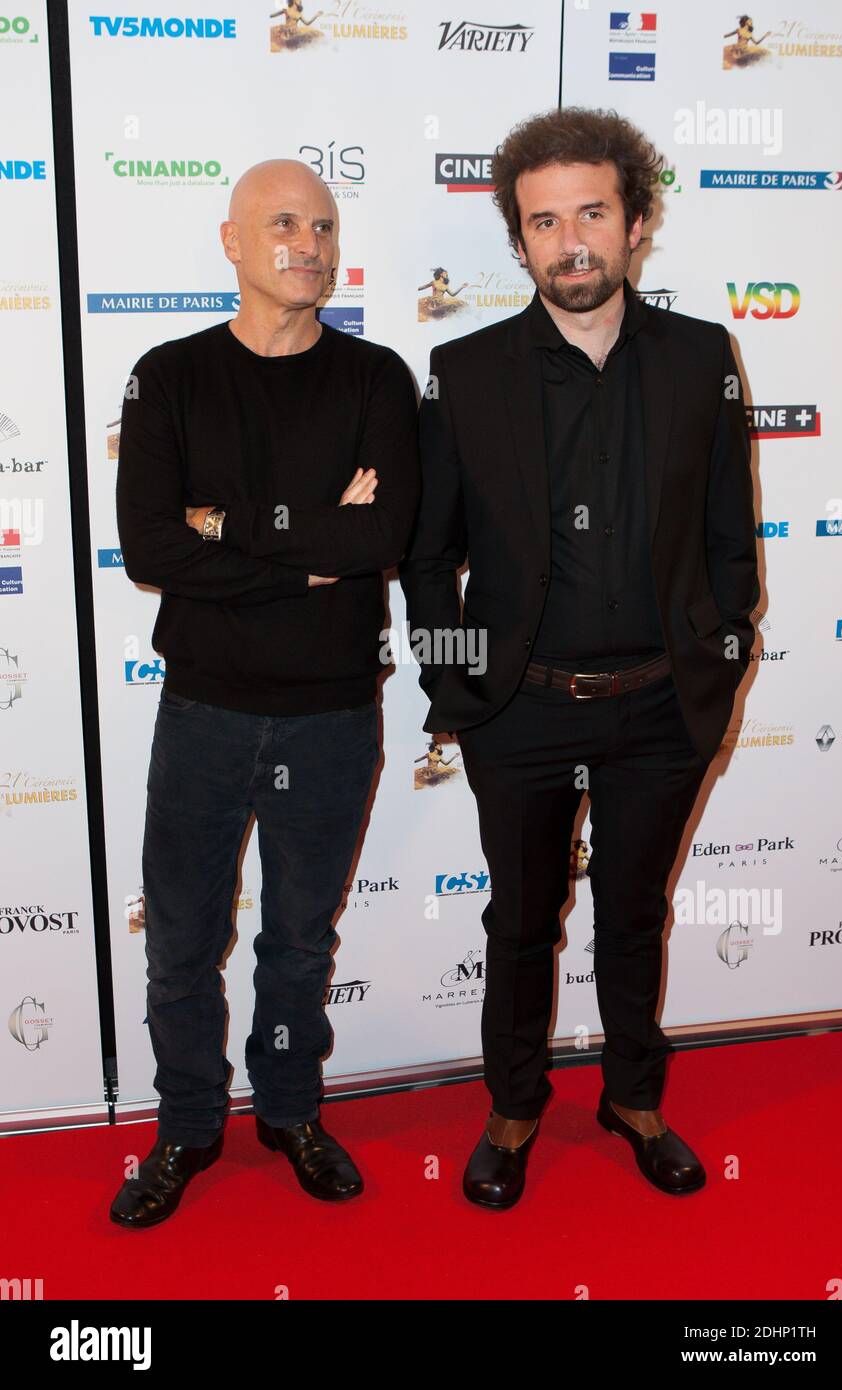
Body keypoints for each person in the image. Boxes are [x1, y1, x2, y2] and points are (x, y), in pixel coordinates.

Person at [399, 107, 759, 1208]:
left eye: (589, 214)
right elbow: (427, 557)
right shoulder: (461, 371)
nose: (569, 242)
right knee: (519, 918)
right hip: (521, 710)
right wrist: (462, 687)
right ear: (517, 241)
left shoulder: (703, 358)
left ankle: (633, 1099)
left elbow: (725, 540)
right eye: (542, 221)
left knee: (634, 911)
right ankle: (513, 1107)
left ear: (635, 222)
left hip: (659, 705)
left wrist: (717, 658)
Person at [110, 158, 419, 1227]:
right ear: (232, 241)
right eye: (283, 223)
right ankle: (187, 1126)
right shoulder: (167, 375)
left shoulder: (378, 378)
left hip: (335, 711)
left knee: (298, 938)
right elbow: (150, 546)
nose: (309, 244)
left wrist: (226, 524)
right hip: (203, 709)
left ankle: (289, 1112)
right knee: (184, 939)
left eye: (325, 226)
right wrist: (307, 549)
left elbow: (379, 536)